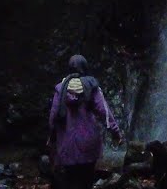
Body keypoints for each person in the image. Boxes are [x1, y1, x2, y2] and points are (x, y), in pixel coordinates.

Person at [47, 54, 123, 189]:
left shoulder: (60, 89)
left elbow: (53, 117)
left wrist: (52, 138)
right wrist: (115, 132)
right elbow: (105, 113)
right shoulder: (92, 87)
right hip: (89, 142)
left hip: (67, 142)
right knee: (87, 180)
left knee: (70, 180)